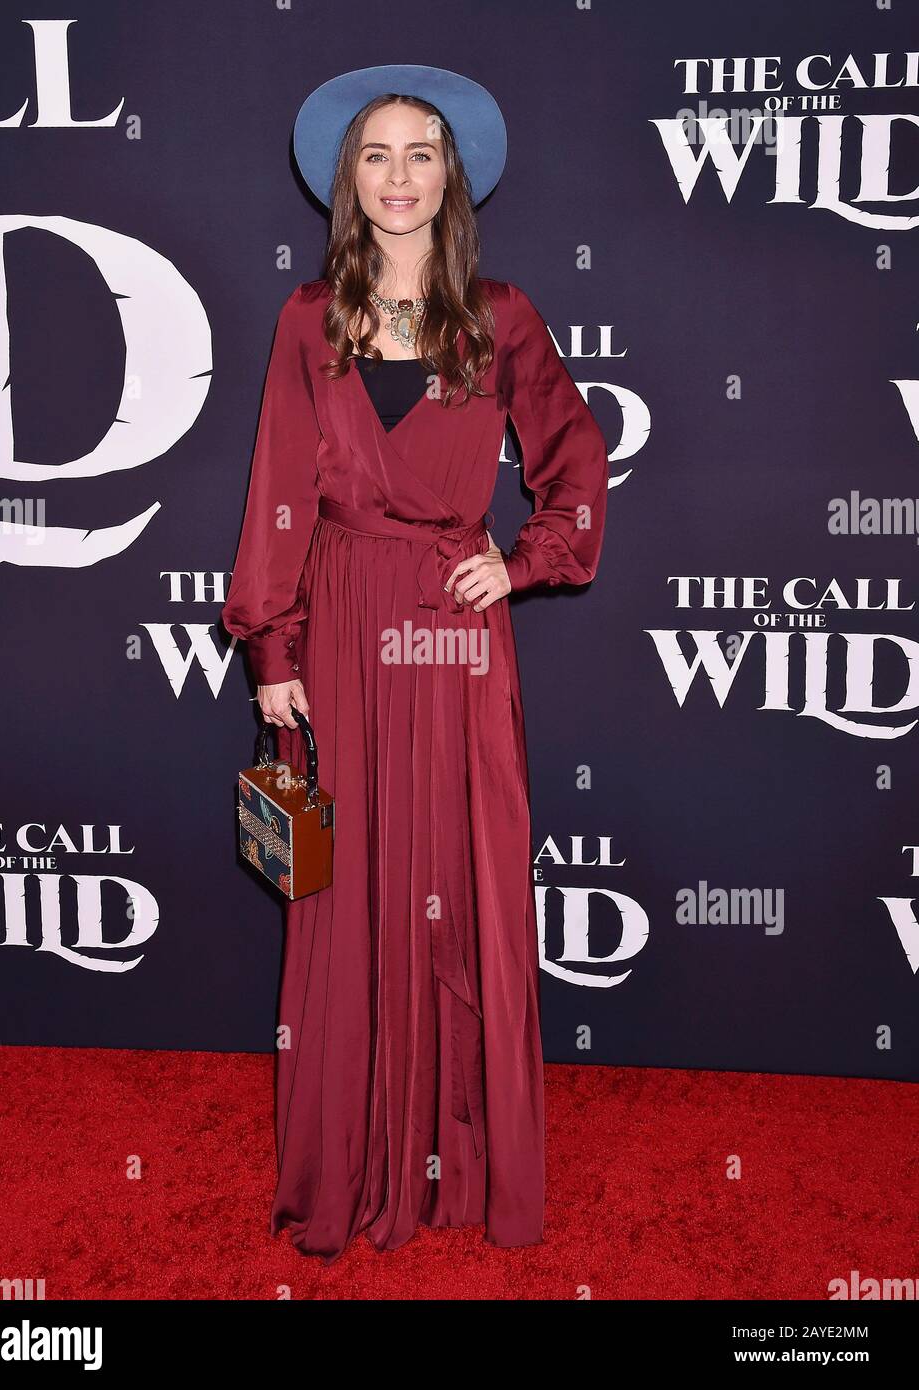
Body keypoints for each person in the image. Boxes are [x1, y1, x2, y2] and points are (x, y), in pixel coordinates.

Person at [221, 64, 610, 1264]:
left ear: (455, 176)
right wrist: (272, 648)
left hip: (449, 634)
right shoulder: (305, 318)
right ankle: (349, 1169)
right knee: (338, 894)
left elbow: (572, 453)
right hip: (336, 623)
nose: (397, 175)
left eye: (420, 153)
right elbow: (280, 491)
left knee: (459, 883)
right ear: (348, 179)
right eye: (375, 155)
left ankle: (456, 1164)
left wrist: (529, 556)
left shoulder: (499, 315)